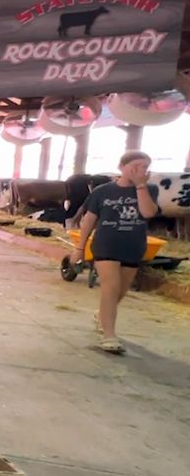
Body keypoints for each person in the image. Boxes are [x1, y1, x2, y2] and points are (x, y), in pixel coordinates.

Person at [74, 150, 159, 354]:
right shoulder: (102, 192)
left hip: (133, 246)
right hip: (106, 245)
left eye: (144, 167)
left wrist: (140, 185)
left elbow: (148, 213)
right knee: (110, 289)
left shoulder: (151, 189)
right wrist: (79, 248)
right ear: (121, 166)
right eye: (135, 166)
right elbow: (88, 221)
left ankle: (101, 316)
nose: (140, 170)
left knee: (120, 292)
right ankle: (109, 335)